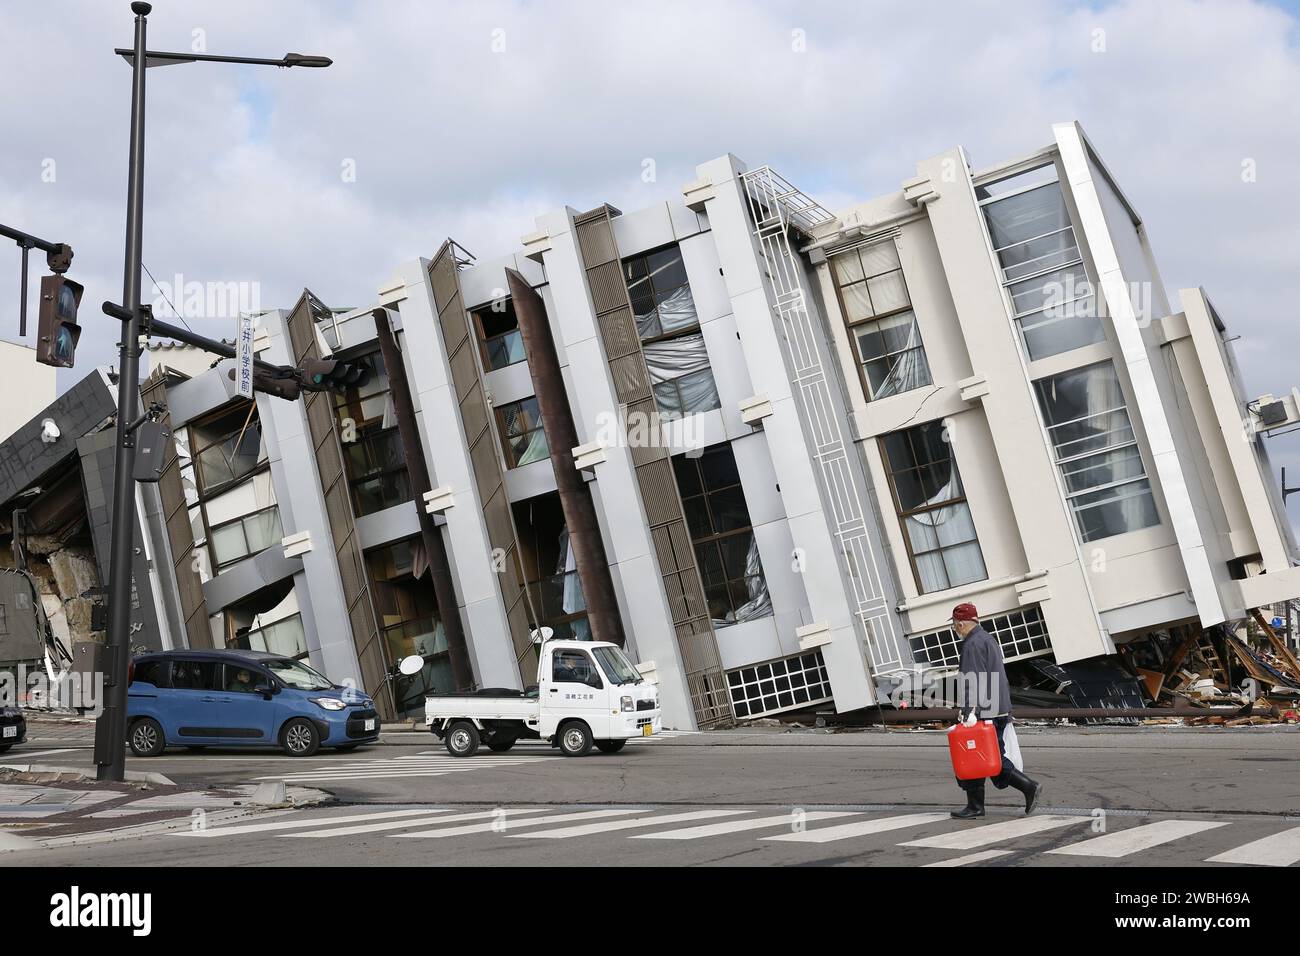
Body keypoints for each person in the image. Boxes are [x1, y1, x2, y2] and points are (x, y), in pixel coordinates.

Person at [950, 603, 1042, 820]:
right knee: (980, 756)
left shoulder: (971, 644)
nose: (955, 630)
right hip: (997, 707)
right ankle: (975, 806)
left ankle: (1028, 787)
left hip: (983, 711)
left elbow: (973, 681)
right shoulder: (988, 639)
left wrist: (967, 711)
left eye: (955, 625)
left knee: (985, 758)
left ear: (961, 623)